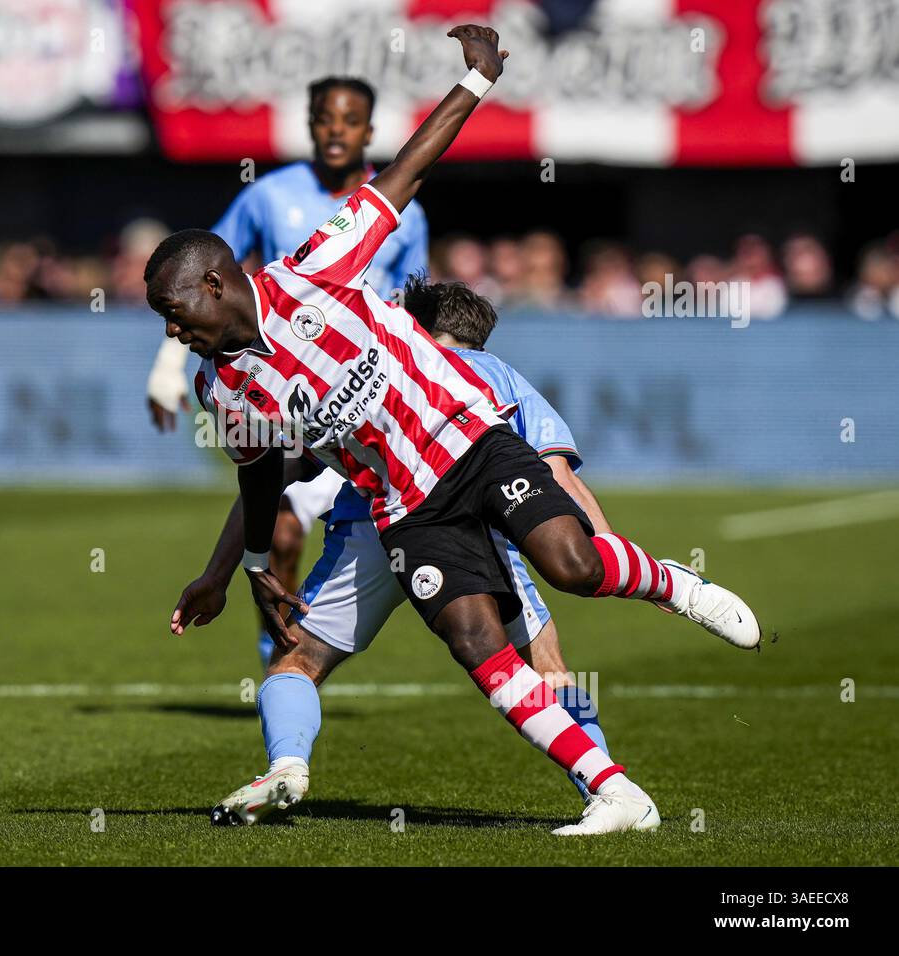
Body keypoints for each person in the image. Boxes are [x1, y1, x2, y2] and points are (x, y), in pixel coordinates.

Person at [147, 24, 761, 836]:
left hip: (469, 443)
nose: (173, 327)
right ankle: (618, 794)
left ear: (216, 282)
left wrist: (476, 82)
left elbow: (404, 175)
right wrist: (250, 565)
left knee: (571, 564)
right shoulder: (222, 385)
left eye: (175, 309)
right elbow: (259, 477)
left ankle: (680, 586)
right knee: (477, 645)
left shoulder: (314, 268)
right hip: (406, 510)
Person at [175, 276, 641, 831]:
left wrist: (217, 574)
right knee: (546, 669)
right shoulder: (497, 375)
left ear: (412, 323)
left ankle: (287, 764)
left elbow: (267, 477)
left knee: (298, 662)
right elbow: (558, 475)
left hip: (373, 528)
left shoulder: (355, 356)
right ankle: (606, 788)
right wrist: (608, 554)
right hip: (467, 524)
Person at [146, 75, 430, 669]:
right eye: (324, 117)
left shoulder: (406, 213)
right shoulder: (269, 195)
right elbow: (193, 279)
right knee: (277, 527)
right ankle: (279, 647)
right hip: (293, 396)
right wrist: (169, 365)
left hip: (377, 389)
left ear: (369, 131)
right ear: (309, 123)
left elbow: (413, 302)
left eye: (349, 120)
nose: (335, 130)